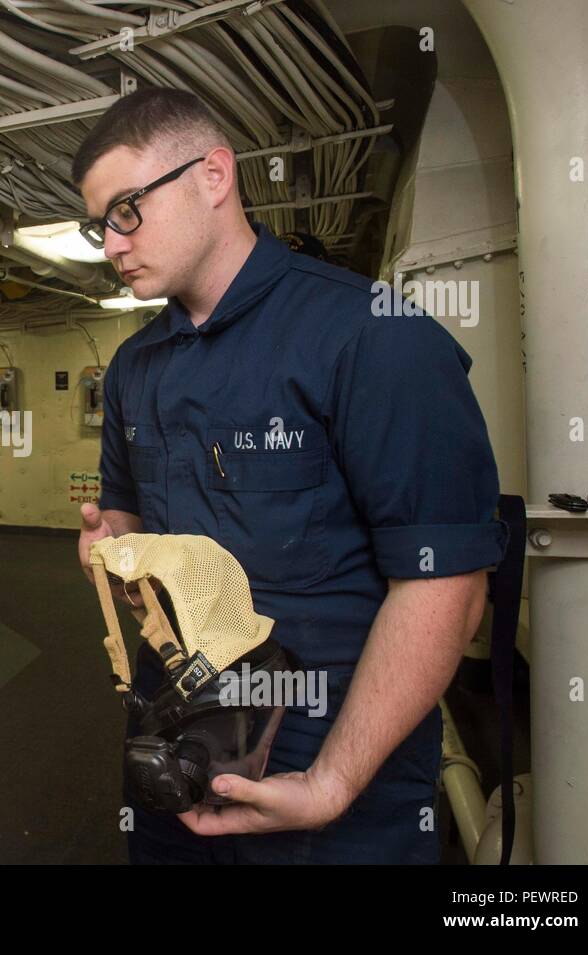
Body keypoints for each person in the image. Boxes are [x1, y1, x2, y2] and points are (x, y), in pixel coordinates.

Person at [73, 88, 506, 864]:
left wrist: (332, 783)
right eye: (97, 223)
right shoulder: (133, 367)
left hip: (330, 774)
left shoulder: (374, 337)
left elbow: (447, 585)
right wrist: (113, 543)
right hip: (175, 750)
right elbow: (128, 517)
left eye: (127, 209)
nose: (111, 243)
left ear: (213, 175)